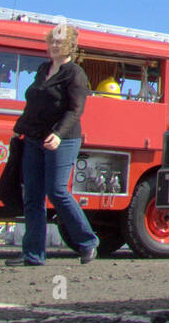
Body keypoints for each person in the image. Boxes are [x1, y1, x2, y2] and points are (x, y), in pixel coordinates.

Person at [8, 23, 100, 266]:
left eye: (59, 42)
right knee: (33, 197)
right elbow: (34, 102)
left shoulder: (75, 74)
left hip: (63, 139)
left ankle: (88, 242)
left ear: (70, 45)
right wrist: (20, 130)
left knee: (57, 191)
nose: (54, 46)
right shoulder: (42, 69)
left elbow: (75, 109)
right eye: (52, 41)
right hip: (33, 139)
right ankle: (33, 254)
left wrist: (58, 133)